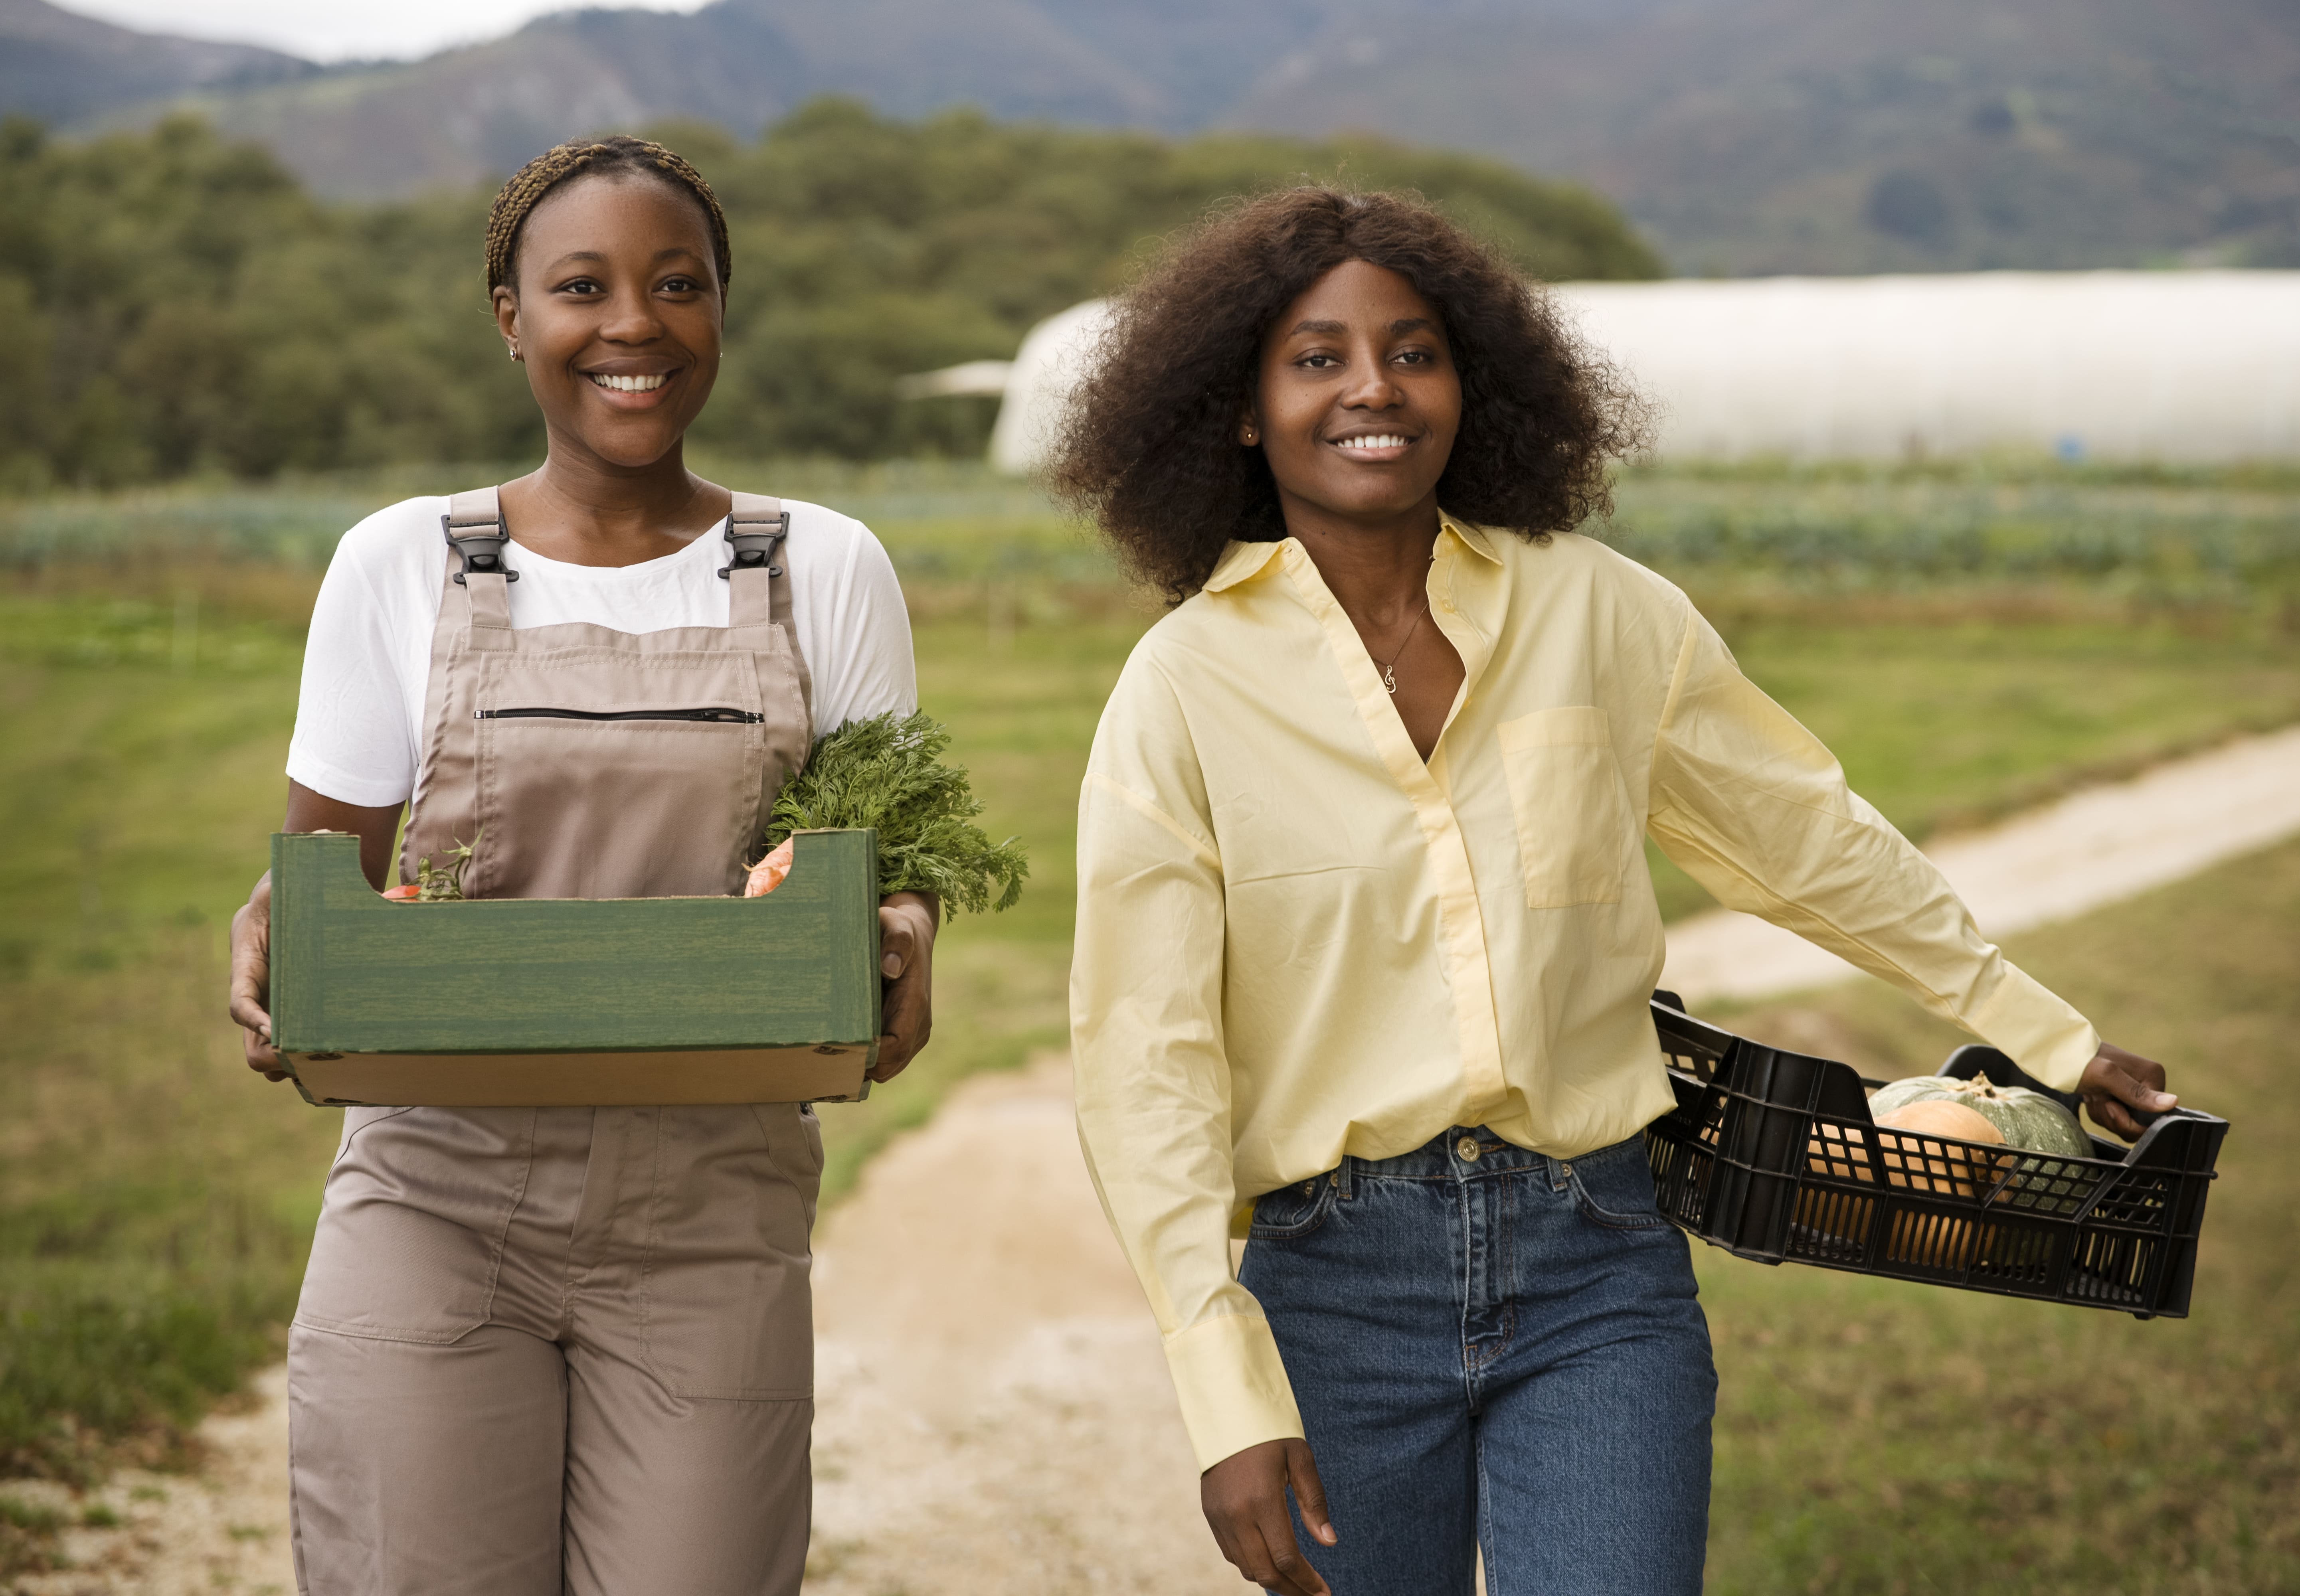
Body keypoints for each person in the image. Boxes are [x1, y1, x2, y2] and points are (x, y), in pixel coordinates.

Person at [1054, 188, 2179, 1596]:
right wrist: (1224, 1389)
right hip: (1334, 1289)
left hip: (1597, 1264)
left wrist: (2048, 1033)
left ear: (1475, 385)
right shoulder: (1182, 687)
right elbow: (1142, 1054)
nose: (1372, 391)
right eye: (1316, 357)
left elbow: (1810, 841)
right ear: (1238, 407)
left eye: (1414, 351)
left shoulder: (1599, 613)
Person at [225, 136, 935, 1595]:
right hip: (435, 1188)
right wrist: (273, 940)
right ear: (511, 316)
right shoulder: (399, 562)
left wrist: (898, 945)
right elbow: (320, 892)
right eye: (581, 286)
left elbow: (893, 875)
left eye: (678, 284)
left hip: (716, 1207)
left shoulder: (825, 566)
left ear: (721, 311)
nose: (634, 324)